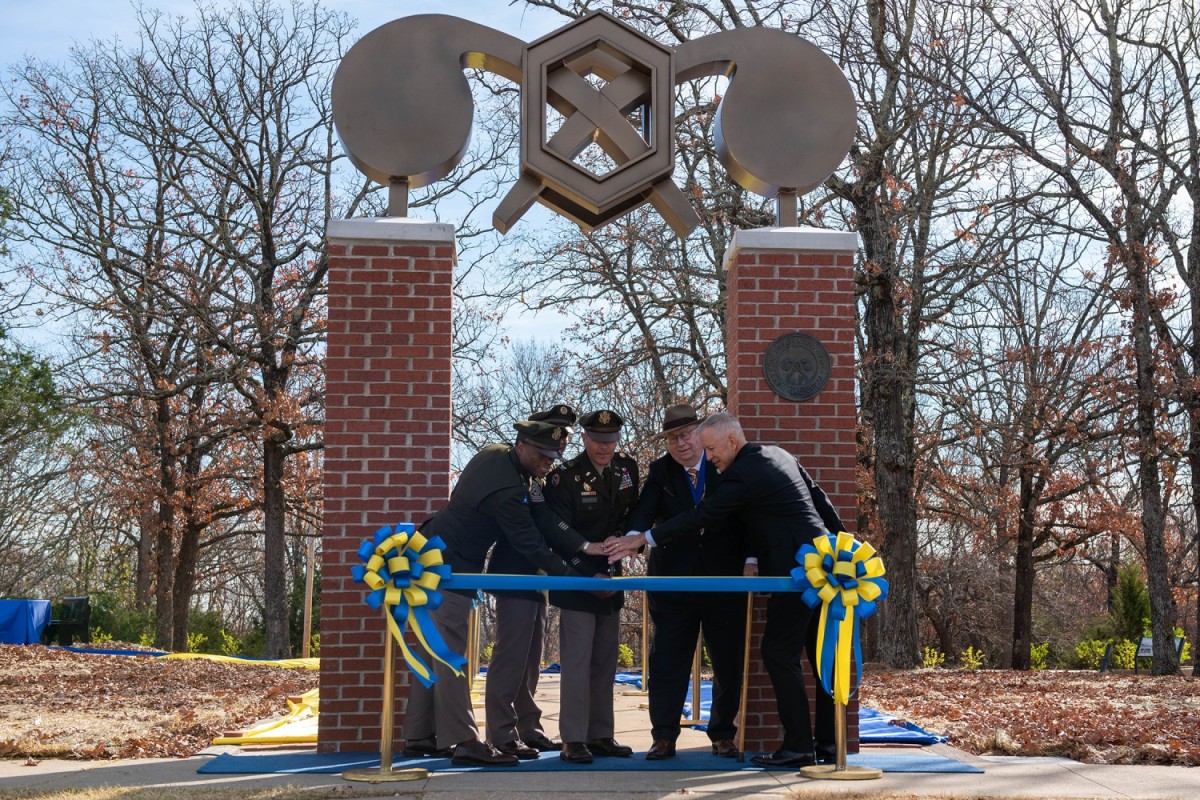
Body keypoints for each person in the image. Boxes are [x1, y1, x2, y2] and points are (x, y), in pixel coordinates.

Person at [605, 412, 840, 768]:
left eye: (711, 448)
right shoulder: (779, 454)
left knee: (779, 653)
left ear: (731, 441)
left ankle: (799, 746)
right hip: (823, 565)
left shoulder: (741, 471)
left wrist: (645, 539)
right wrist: (842, 549)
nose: (709, 456)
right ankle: (828, 744)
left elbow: (704, 514)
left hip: (794, 572)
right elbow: (819, 500)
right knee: (819, 656)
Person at [401, 419, 601, 767]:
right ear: (521, 445)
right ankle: (464, 740)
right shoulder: (509, 489)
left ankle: (419, 735)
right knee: (449, 653)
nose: (548, 461)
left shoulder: (497, 455)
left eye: (553, 454)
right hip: (447, 566)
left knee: (434, 649)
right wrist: (575, 578)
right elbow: (530, 544)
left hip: (434, 554)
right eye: (542, 453)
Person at [624, 404, 748, 761]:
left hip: (724, 581)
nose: (680, 444)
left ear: (701, 433)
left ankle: (722, 734)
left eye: (686, 435)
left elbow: (747, 517)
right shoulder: (660, 471)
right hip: (673, 583)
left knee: (727, 661)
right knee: (667, 661)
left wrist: (752, 558)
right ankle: (664, 736)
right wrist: (632, 538)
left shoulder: (726, 464)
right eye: (672, 438)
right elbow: (644, 511)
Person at [483, 404, 581, 758]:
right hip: (515, 575)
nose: (560, 444)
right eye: (555, 436)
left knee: (529, 659)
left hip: (536, 578)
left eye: (565, 437)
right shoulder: (515, 473)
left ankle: (528, 726)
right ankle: (501, 733)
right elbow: (526, 536)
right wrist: (566, 572)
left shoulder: (538, 477)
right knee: (510, 658)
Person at [544, 409, 639, 764]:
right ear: (584, 438)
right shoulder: (564, 477)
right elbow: (557, 535)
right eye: (598, 440)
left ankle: (600, 735)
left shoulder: (627, 469)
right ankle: (573, 739)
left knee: (605, 662)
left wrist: (626, 540)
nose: (605, 447)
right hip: (576, 578)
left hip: (611, 577)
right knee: (577, 663)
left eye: (611, 440)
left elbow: (631, 515)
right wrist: (587, 573)